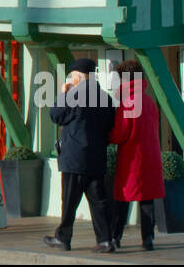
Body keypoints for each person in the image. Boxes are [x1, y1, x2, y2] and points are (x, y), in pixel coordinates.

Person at [44, 58, 116, 252]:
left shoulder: (72, 95)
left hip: (74, 158)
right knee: (98, 201)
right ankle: (105, 240)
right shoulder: (105, 98)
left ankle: (63, 238)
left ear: (78, 76)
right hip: (96, 157)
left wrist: (62, 93)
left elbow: (55, 115)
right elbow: (110, 125)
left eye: (72, 76)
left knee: (69, 201)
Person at [108, 59, 164, 250]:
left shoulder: (128, 103)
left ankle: (115, 237)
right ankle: (147, 239)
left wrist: (107, 135)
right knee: (146, 199)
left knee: (123, 199)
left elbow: (120, 134)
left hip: (132, 158)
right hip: (151, 156)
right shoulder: (148, 101)